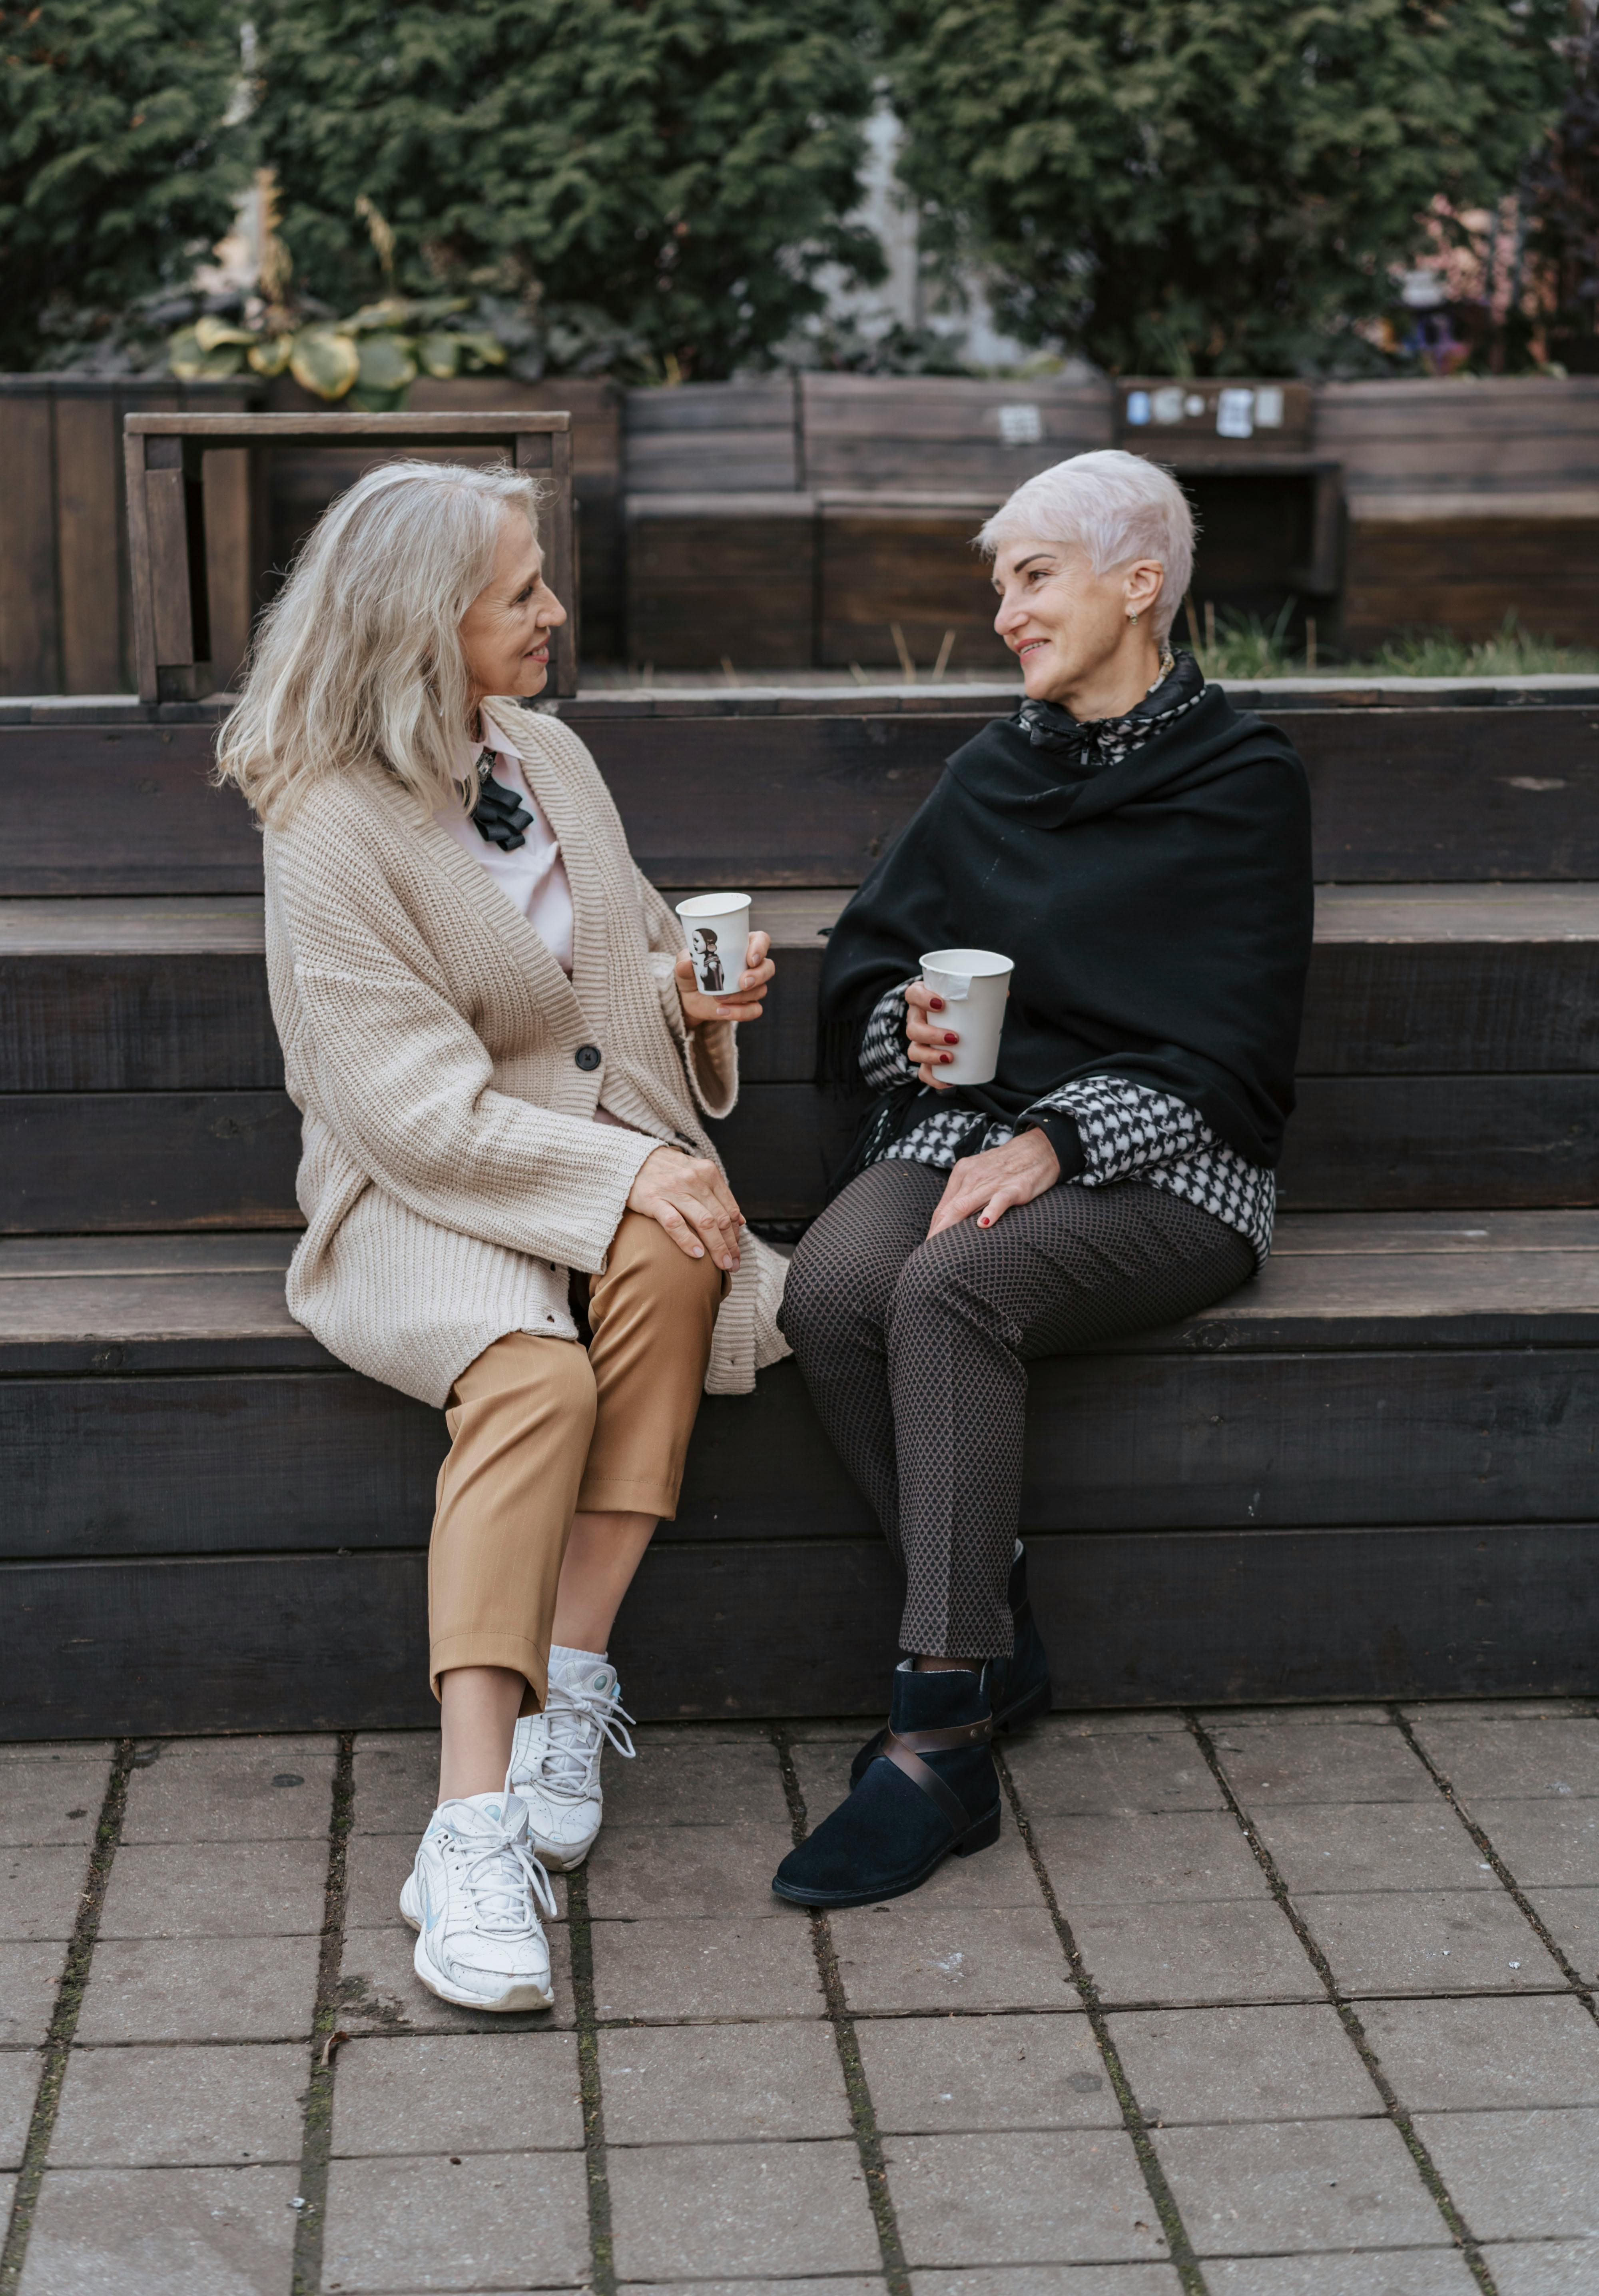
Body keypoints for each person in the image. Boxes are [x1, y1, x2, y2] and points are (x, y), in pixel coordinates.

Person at [216, 459, 787, 2010]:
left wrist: (693, 999)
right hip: (418, 1189)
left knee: (691, 1243)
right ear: (421, 624)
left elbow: (634, 952)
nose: (551, 613)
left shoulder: (544, 754)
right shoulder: (329, 826)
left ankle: (573, 1668)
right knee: (532, 1377)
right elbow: (407, 1112)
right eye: (518, 591)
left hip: (578, 1151)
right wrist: (618, 1174)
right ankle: (469, 1826)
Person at [773, 450, 1313, 1909]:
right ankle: (993, 1619)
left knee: (948, 1292)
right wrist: (917, 1033)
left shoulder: (1244, 782)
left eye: (1033, 577)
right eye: (997, 583)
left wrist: (1063, 1142)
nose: (1005, 613)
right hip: (969, 1133)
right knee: (826, 1293)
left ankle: (940, 1735)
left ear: (1139, 585)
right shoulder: (992, 769)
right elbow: (877, 959)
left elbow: (1239, 1040)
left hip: (1173, 1167)